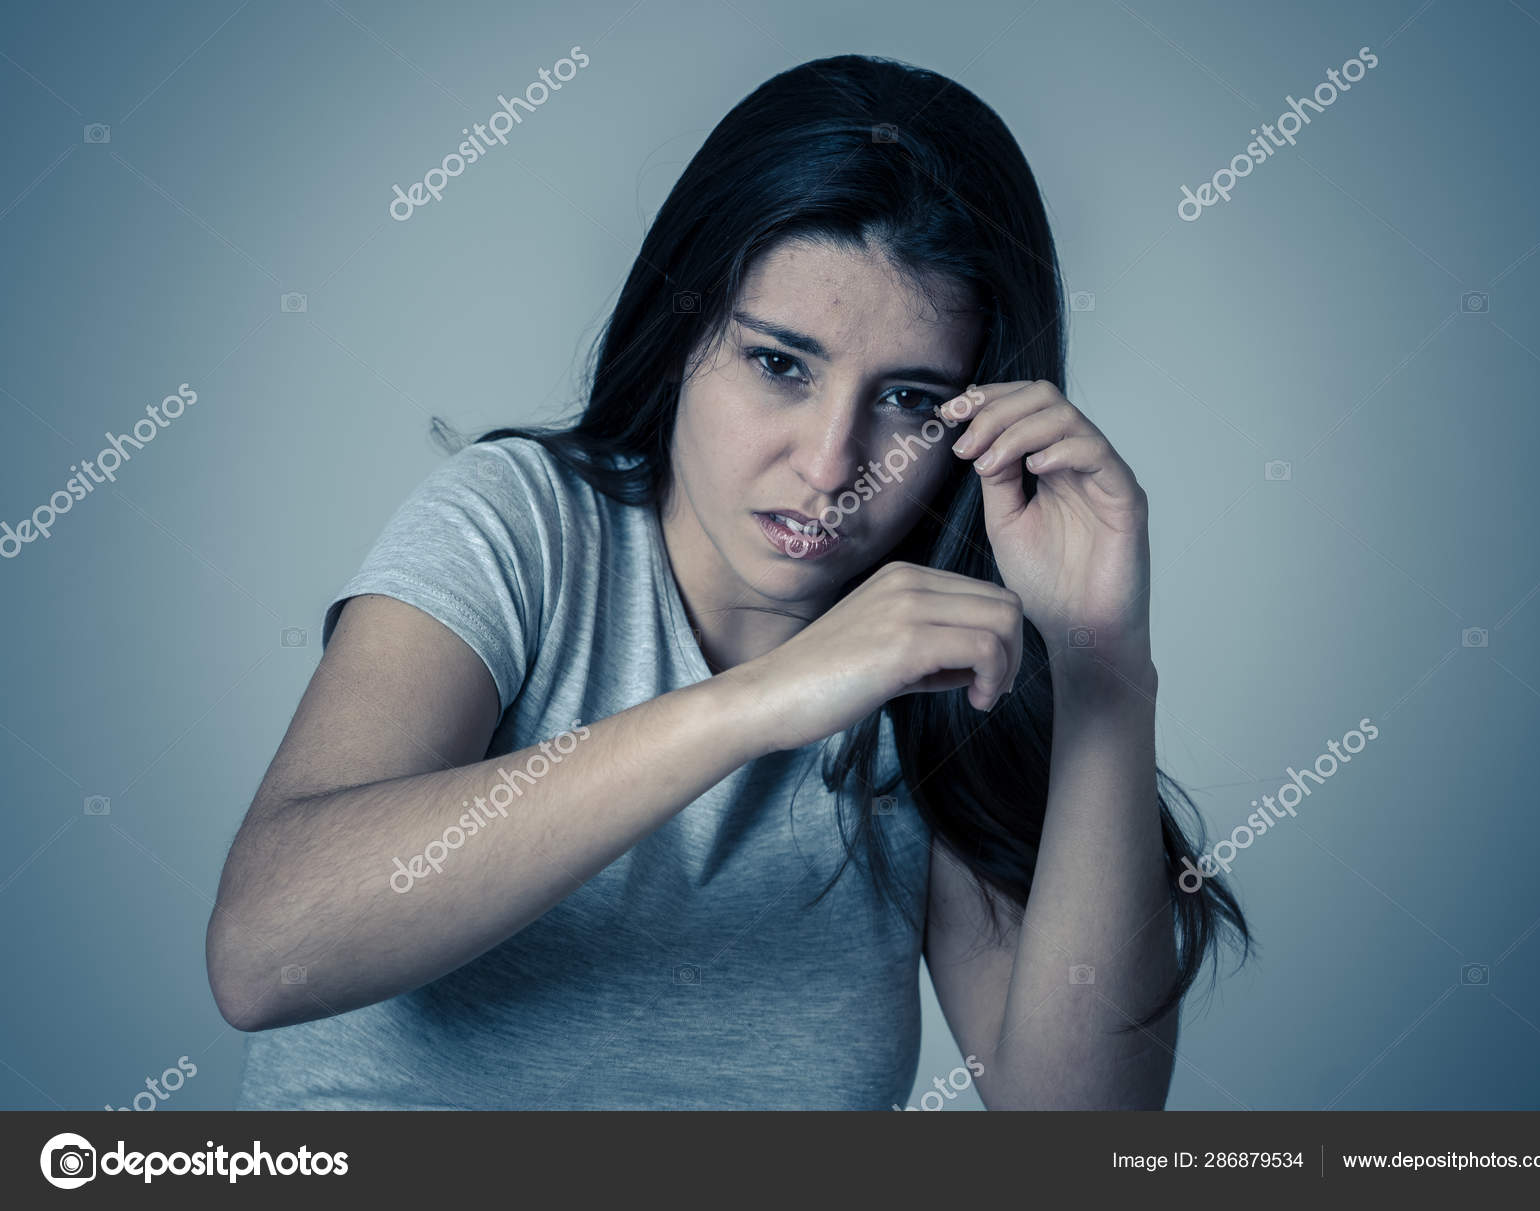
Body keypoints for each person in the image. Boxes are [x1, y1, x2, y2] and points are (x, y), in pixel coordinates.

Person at [207, 53, 1248, 1110]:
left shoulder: (943, 663)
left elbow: (1076, 1134)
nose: (831, 463)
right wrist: (752, 705)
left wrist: (1103, 665)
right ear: (679, 334)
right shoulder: (516, 523)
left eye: (908, 399)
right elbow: (264, 953)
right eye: (779, 364)